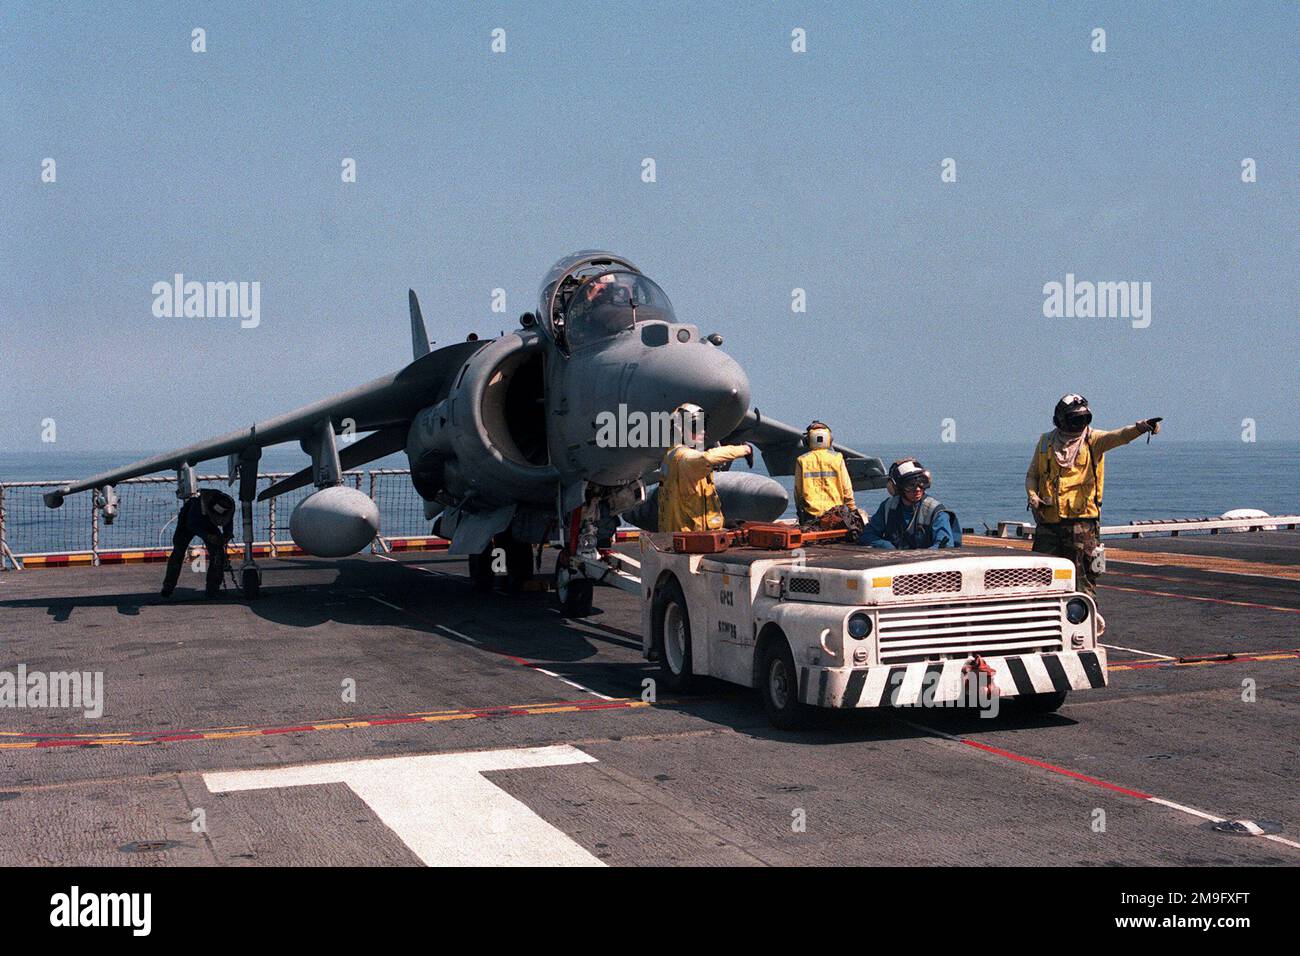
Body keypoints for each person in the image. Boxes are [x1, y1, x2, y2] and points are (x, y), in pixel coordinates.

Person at [1026, 394, 1161, 607]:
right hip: (1048, 524)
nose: (1080, 424)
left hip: (1082, 525)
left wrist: (1141, 427)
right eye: (1074, 419)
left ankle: (1084, 627)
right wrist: (1033, 496)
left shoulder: (1093, 441)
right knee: (1040, 580)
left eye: (1083, 418)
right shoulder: (1046, 442)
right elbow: (1033, 475)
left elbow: (1119, 436)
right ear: (1061, 419)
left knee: (1083, 582)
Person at [658, 403, 755, 533]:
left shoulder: (672, 456)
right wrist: (745, 449)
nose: (702, 431)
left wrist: (722, 523)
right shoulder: (685, 458)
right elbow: (708, 458)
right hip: (689, 540)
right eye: (695, 427)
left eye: (702, 425)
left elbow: (692, 502)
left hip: (683, 535)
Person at [860, 458, 960, 549]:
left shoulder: (935, 511)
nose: (917, 489)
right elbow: (868, 536)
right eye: (910, 485)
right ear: (898, 488)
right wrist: (888, 547)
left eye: (921, 483)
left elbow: (945, 546)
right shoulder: (888, 507)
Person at [161, 488, 236, 598]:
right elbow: (192, 525)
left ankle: (213, 589)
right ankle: (168, 586)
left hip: (208, 523)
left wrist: (226, 536)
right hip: (187, 521)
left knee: (218, 553)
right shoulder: (196, 505)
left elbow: (228, 522)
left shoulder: (228, 507)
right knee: (179, 550)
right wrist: (208, 536)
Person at [793, 421, 857, 525]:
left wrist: (800, 510)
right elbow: (846, 487)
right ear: (829, 440)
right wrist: (852, 508)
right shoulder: (837, 458)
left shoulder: (802, 460)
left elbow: (798, 491)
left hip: (811, 515)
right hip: (836, 514)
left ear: (808, 441)